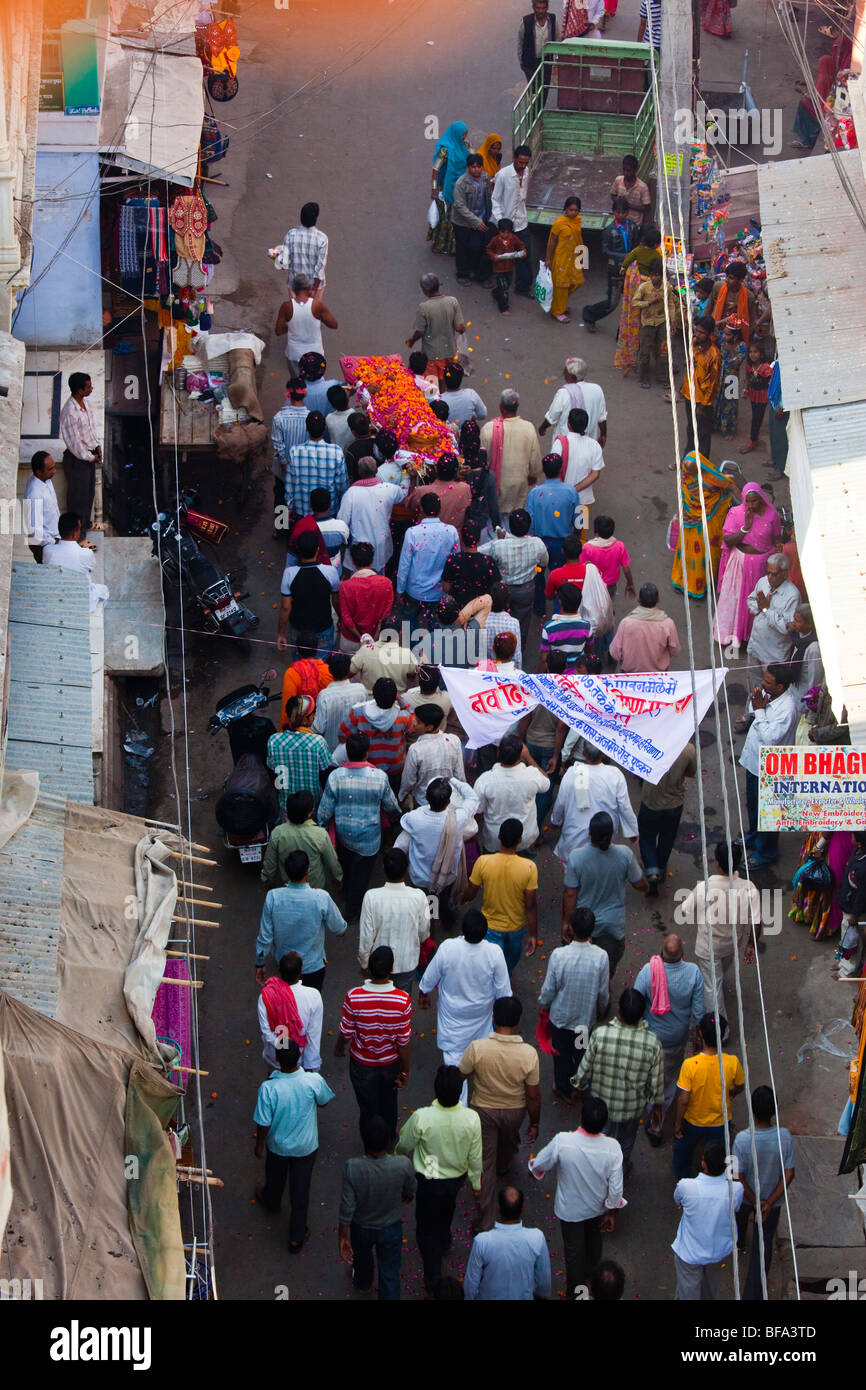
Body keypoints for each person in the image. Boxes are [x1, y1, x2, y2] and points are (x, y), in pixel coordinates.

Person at [395, 1065, 483, 1293]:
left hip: (430, 1174)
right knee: (447, 1208)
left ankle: (432, 1274)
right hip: (456, 1177)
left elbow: (405, 1143)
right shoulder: (471, 1118)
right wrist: (475, 1182)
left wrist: (396, 1155)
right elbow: (475, 1155)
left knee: (426, 1224)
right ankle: (444, 1238)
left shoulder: (423, 1117)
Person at [459, 996, 541, 1231]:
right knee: (507, 1140)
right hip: (515, 1112)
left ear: (493, 1019)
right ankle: (504, 1164)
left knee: (485, 1164)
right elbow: (533, 1095)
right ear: (519, 1022)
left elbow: (460, 1076)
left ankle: (485, 1221)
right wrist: (534, 1122)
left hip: (483, 1111)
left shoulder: (478, 1048)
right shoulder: (528, 1054)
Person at [529, 1094, 624, 1297]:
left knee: (574, 1257)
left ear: (581, 1118)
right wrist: (612, 1212)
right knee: (593, 1249)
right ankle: (594, 1283)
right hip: (597, 1209)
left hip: (570, 1212)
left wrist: (534, 1170)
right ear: (604, 1122)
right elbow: (616, 1190)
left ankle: (578, 1294)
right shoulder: (613, 1148)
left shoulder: (563, 1142)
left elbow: (540, 1164)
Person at [253, 1039, 334, 1252]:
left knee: (275, 1176)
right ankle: (296, 1237)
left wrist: (260, 1145)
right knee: (300, 1190)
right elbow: (325, 1101)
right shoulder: (312, 1081)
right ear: (299, 1056)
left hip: (278, 1146)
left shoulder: (268, 1088)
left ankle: (271, 1200)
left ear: (277, 1060)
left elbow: (263, 1122)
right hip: (305, 1147)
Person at [573, 988, 664, 1171]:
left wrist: (578, 1088)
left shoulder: (600, 1034)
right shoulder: (652, 1043)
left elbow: (584, 1069)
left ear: (619, 1011)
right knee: (626, 1141)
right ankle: (621, 1166)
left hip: (601, 1108)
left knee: (600, 1139)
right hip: (631, 1110)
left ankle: (597, 1168)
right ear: (642, 1014)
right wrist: (656, 1107)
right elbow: (656, 1085)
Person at [317, 732, 402, 919]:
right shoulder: (379, 777)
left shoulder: (335, 777)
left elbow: (324, 811)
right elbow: (391, 806)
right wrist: (397, 818)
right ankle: (353, 911)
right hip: (369, 839)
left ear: (347, 753)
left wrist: (322, 828)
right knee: (361, 875)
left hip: (343, 834)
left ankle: (344, 890)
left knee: (345, 865)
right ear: (367, 753)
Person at [680, 840, 761, 1028]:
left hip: (708, 947)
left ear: (716, 863)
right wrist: (751, 945)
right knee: (720, 971)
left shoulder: (704, 887)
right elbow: (756, 921)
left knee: (712, 990)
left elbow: (685, 911)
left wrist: (688, 900)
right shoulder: (749, 888)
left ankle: (720, 1031)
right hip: (732, 943)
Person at [418, 908, 512, 1070]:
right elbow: (504, 993)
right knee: (481, 1057)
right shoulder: (494, 953)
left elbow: (429, 977)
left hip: (452, 1018)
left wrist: (423, 994)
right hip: (481, 1015)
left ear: (463, 929)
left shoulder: (448, 948)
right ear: (485, 931)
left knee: (454, 1065)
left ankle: (456, 1091)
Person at [634, 935, 705, 1144]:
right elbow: (699, 1012)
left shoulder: (648, 971)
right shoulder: (693, 973)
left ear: (661, 954)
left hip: (650, 1038)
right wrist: (697, 1037)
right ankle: (657, 1119)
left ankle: (655, 1123)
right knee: (668, 1080)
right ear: (683, 954)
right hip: (676, 1039)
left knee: (652, 1076)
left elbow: (636, 1003)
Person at [561, 811, 648, 979]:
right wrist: (647, 887)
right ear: (612, 833)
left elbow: (570, 894)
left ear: (589, 833)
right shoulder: (624, 855)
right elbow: (639, 883)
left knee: (578, 972)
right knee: (604, 973)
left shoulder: (577, 858)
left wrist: (566, 922)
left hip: (584, 926)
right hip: (612, 927)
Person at [338, 1115, 416, 1300]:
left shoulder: (353, 1167)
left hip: (361, 1227)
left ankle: (363, 1284)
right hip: (391, 1227)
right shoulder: (402, 1164)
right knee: (389, 1270)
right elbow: (410, 1189)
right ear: (390, 1140)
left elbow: (347, 1207)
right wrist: (406, 1195)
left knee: (362, 1260)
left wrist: (342, 1236)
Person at [539, 906, 610, 1103]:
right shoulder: (601, 957)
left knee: (561, 1056)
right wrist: (601, 1010)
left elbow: (549, 990)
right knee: (581, 1054)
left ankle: (564, 1088)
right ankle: (579, 1085)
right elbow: (603, 992)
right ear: (592, 930)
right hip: (584, 1021)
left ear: (571, 928)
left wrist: (543, 1005)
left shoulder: (558, 956)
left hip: (560, 1020)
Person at [733, 1084, 796, 1300]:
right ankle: (754, 1294)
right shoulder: (784, 1137)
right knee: (764, 1242)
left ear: (751, 1109)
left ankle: (739, 1241)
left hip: (746, 1198)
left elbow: (737, 1176)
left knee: (740, 1218)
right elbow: (789, 1174)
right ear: (774, 1110)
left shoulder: (742, 1139)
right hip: (773, 1202)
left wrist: (756, 1202)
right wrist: (768, 1203)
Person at [255, 849, 347, 991]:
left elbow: (265, 936)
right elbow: (339, 927)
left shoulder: (273, 897)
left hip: (285, 967)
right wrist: (341, 932)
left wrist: (260, 963)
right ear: (308, 871)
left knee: (288, 1004)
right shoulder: (321, 898)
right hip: (313, 966)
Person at [396, 776, 480, 926]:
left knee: (429, 909)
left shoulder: (414, 818)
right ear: (448, 802)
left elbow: (403, 833)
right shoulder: (458, 818)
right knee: (445, 900)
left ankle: (430, 931)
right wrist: (453, 779)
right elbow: (472, 797)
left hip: (422, 877)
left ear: (426, 797)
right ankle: (447, 922)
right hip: (446, 877)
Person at [713, 482, 782, 659]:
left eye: (754, 501)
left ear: (761, 499)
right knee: (735, 599)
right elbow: (728, 541)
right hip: (740, 563)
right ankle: (731, 637)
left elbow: (776, 540)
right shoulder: (736, 513)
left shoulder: (771, 515)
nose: (750, 505)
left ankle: (749, 636)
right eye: (747, 501)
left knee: (755, 599)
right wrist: (745, 528)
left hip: (761, 566)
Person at [673, 1012, 745, 1179]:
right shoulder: (732, 1062)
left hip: (693, 1121)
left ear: (700, 1033)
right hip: (720, 1122)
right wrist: (732, 1092)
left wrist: (677, 1123)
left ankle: (683, 1176)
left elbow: (683, 1099)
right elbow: (740, 1085)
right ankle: (716, 1177)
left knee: (683, 1149)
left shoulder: (690, 1065)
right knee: (719, 1155)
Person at [739, 665, 799, 865]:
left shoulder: (788, 708)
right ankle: (753, 838)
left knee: (769, 813)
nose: (762, 684)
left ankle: (765, 853)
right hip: (754, 761)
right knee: (754, 807)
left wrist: (760, 710)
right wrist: (755, 703)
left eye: (767, 682)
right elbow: (753, 712)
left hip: (772, 769)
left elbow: (771, 739)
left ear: (780, 686)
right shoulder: (766, 693)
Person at [464, 818, 540, 974]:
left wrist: (459, 899)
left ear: (499, 837)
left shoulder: (483, 861)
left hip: (490, 926)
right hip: (516, 928)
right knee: (507, 967)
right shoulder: (529, 867)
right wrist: (533, 934)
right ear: (519, 841)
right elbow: (530, 905)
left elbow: (471, 893)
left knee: (490, 966)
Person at [672, 1141, 744, 1300]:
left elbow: (678, 1200)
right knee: (710, 1290)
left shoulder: (686, 1186)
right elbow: (735, 1209)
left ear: (703, 1163)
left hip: (690, 1253)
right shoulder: (736, 1189)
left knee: (687, 1293)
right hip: (717, 1252)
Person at [551, 741, 639, 864]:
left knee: (573, 876)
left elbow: (560, 802)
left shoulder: (572, 772)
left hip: (574, 839)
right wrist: (632, 831)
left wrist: (556, 821)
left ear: (583, 753)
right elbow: (625, 806)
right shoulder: (615, 775)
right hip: (604, 839)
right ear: (602, 754)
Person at [358, 848, 431, 993]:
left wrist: (364, 963)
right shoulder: (420, 896)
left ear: (383, 867)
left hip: (377, 965)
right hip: (407, 963)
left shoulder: (371, 897)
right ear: (407, 868)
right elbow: (424, 933)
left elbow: (366, 937)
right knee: (402, 1001)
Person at [670, 451, 739, 601]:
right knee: (694, 552)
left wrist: (745, 507)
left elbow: (731, 486)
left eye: (693, 471)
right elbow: (731, 488)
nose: (689, 474)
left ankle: (691, 584)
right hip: (696, 520)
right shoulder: (691, 470)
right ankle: (689, 583)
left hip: (700, 520)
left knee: (698, 552)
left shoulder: (709, 477)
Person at [464, 1185, 551, 1300]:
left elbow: (471, 1284)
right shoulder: (536, 1238)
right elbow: (544, 1282)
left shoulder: (482, 1242)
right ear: (522, 1208)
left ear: (498, 1208)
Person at [479, 508, 547, 645]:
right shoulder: (538, 544)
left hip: (502, 591)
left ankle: (500, 648)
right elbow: (544, 563)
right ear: (528, 526)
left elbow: (492, 564)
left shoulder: (498, 546)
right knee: (522, 623)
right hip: (526, 590)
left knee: (499, 620)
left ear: (509, 525)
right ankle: (517, 649)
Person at [637, 741, 697, 894]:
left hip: (651, 802)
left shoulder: (650, 742)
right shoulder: (688, 749)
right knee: (667, 838)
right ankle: (661, 869)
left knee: (647, 838)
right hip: (674, 804)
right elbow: (691, 773)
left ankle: (652, 871)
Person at [473, 735, 550, 854]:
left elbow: (477, 811)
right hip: (524, 838)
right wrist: (529, 758)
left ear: (498, 752)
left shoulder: (485, 780)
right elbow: (546, 782)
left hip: (495, 840)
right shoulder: (532, 775)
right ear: (520, 755)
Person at [338, 677, 415, 790]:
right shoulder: (404, 717)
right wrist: (402, 702)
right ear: (395, 697)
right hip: (395, 769)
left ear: (373, 695)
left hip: (368, 768)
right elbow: (414, 723)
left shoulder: (359, 713)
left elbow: (342, 734)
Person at [261, 789, 343, 892]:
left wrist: (267, 881)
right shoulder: (320, 835)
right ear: (309, 814)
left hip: (287, 886)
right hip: (315, 888)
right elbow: (332, 862)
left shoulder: (277, 833)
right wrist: (338, 878)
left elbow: (270, 864)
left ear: (288, 812)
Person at [397, 493, 461, 620]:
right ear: (440, 509)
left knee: (409, 627)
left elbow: (404, 564)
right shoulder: (451, 531)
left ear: (421, 509)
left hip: (415, 590)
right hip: (438, 592)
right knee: (436, 630)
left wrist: (400, 589)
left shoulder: (412, 533)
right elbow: (455, 562)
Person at [257, 950, 324, 1071]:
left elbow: (267, 1033)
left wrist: (284, 1052)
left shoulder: (266, 996)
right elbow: (313, 1035)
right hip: (300, 1061)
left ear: (278, 969)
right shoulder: (313, 996)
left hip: (275, 1060)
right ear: (301, 972)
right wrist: (311, 1067)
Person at [266, 695, 333, 817]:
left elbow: (273, 773)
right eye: (313, 713)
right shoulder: (318, 743)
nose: (315, 716)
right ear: (304, 720)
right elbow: (325, 775)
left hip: (286, 805)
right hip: (312, 807)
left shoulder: (273, 741)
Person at [337, 459, 407, 574]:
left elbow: (342, 523)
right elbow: (404, 494)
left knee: (357, 580)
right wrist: (405, 474)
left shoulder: (351, 493)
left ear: (359, 472)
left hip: (358, 548)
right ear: (376, 470)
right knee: (379, 579)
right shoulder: (389, 489)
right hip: (381, 544)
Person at [277, 530, 340, 655]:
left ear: (299, 552)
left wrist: (281, 633)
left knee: (300, 665)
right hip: (323, 626)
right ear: (317, 550)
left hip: (299, 629)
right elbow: (335, 600)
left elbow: (285, 608)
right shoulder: (331, 572)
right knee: (322, 665)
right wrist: (341, 619)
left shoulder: (289, 573)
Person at [481, 392, 542, 517]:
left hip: (495, 490)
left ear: (501, 407)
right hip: (519, 488)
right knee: (516, 523)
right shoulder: (528, 428)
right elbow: (535, 462)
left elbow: (482, 461)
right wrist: (533, 475)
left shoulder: (489, 429)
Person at [527, 455, 580, 597]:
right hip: (562, 546)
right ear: (561, 469)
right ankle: (560, 608)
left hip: (540, 545)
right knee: (562, 580)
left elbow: (529, 520)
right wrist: (577, 537)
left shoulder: (534, 493)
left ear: (544, 470)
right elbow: (579, 519)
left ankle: (539, 607)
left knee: (538, 575)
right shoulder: (571, 491)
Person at [583, 198, 639, 331]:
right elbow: (605, 250)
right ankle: (589, 314)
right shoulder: (609, 230)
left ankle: (623, 332)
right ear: (614, 212)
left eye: (624, 212)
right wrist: (623, 256)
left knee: (633, 301)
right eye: (618, 212)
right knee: (612, 303)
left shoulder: (633, 227)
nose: (621, 215)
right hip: (616, 270)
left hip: (631, 270)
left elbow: (636, 244)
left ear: (628, 212)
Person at [614, 226, 663, 376]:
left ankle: (632, 358)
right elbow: (661, 269)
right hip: (648, 291)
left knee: (635, 319)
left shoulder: (638, 251)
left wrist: (623, 267)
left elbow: (629, 258)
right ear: (656, 244)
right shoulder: (656, 255)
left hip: (638, 286)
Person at [284, 408, 348, 521]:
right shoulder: (336, 452)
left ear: (307, 428)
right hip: (329, 510)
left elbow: (290, 484)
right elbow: (342, 486)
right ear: (324, 428)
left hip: (302, 511)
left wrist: (288, 508)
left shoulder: (295, 451)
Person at [58, 371, 101, 538]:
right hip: (77, 460)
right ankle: (79, 535)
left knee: (89, 494)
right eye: (88, 387)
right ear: (79, 390)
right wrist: (90, 457)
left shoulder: (85, 404)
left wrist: (97, 447)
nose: (91, 389)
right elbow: (74, 443)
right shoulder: (69, 412)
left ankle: (85, 524)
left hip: (89, 457)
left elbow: (90, 429)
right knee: (78, 498)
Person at [399, 704, 464, 804]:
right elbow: (460, 775)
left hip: (423, 801)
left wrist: (401, 797)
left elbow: (408, 781)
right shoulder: (453, 741)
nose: (414, 723)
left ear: (429, 727)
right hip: (447, 799)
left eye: (418, 722)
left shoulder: (415, 749)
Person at [609, 581, 681, 671]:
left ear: (639, 600)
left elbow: (615, 653)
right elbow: (675, 651)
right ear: (658, 600)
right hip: (658, 676)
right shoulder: (668, 624)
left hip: (629, 676)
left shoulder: (626, 623)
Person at [335, 544, 394, 653]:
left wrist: (361, 638)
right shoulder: (386, 583)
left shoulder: (346, 586)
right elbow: (385, 616)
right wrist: (374, 638)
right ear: (372, 560)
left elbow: (346, 618)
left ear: (352, 561)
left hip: (350, 640)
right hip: (377, 640)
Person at [275, 275, 338, 377]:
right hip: (315, 353)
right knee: (315, 382)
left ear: (294, 289)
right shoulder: (317, 306)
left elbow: (278, 331)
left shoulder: (286, 306)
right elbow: (334, 325)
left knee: (298, 384)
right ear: (309, 288)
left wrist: (292, 327)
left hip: (294, 354)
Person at [406, 273, 466, 381]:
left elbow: (420, 331)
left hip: (431, 355)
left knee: (431, 385)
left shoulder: (424, 307)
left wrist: (412, 340)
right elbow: (460, 328)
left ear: (425, 290)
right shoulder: (452, 301)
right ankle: (443, 395)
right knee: (445, 379)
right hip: (450, 351)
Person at [491, 147, 533, 296]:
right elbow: (495, 200)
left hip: (521, 221)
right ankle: (499, 287)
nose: (522, 166)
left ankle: (522, 287)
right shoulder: (503, 175)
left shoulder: (527, 172)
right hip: (505, 224)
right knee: (502, 255)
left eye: (525, 163)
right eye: (520, 162)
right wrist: (500, 221)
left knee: (524, 254)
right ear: (514, 158)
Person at [550, 408, 605, 523]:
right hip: (583, 500)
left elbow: (553, 469)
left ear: (568, 424)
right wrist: (575, 489)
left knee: (560, 530)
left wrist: (567, 490)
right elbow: (595, 474)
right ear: (585, 426)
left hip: (561, 499)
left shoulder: (559, 443)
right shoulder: (594, 446)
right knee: (579, 536)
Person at [745, 553, 800, 666]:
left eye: (774, 574)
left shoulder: (792, 595)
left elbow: (786, 628)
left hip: (773, 656)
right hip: (755, 648)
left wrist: (767, 609)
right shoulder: (763, 582)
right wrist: (759, 607)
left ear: (785, 574)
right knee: (753, 681)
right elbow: (750, 601)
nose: (769, 577)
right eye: (768, 572)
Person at [539, 357, 608, 446]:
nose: (563, 374)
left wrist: (543, 428)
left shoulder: (564, 393)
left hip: (565, 446)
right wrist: (603, 434)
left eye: (566, 372)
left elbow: (552, 416)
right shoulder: (597, 389)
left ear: (573, 377)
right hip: (588, 445)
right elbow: (602, 418)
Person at [680, 316, 723, 458]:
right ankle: (688, 459)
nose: (697, 334)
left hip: (703, 401)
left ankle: (702, 463)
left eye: (701, 332)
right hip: (689, 394)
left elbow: (713, 383)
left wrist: (703, 406)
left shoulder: (714, 355)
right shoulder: (693, 343)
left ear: (710, 334)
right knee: (691, 429)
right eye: (696, 331)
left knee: (703, 433)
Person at [632, 261, 679, 389]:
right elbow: (634, 302)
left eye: (657, 275)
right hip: (647, 323)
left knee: (663, 350)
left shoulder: (667, 287)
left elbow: (670, 305)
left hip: (662, 321)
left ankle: (662, 376)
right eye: (652, 275)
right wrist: (648, 302)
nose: (655, 278)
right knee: (645, 351)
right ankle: (643, 377)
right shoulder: (644, 287)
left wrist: (673, 320)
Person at [428, 121, 470, 257]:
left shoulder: (466, 146)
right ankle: (440, 245)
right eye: (463, 134)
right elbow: (436, 169)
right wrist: (434, 189)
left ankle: (453, 246)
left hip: (461, 187)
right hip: (446, 187)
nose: (464, 137)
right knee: (445, 217)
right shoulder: (445, 150)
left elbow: (472, 160)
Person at [451, 153, 493, 285]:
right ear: (468, 167)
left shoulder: (486, 178)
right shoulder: (461, 183)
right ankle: (462, 274)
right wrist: (475, 221)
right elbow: (460, 206)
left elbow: (489, 197)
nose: (476, 169)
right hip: (462, 222)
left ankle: (476, 271)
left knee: (477, 246)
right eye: (473, 167)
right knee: (463, 248)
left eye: (478, 167)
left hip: (481, 218)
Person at [271, 378, 311, 513]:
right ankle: (298, 528)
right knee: (302, 498)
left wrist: (284, 463)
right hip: (304, 469)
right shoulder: (310, 417)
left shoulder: (279, 418)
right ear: (305, 394)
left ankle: (281, 530)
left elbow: (278, 444)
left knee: (280, 499)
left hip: (283, 472)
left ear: (288, 395)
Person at [441, 518, 500, 609]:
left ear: (461, 539)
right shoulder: (489, 562)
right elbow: (495, 589)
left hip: (459, 610)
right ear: (479, 539)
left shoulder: (452, 560)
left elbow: (446, 588)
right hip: (481, 612)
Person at [544, 195, 585, 324]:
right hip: (561, 258)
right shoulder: (559, 223)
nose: (573, 213)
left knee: (577, 282)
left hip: (575, 256)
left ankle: (559, 303)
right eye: (571, 210)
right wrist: (548, 259)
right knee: (561, 285)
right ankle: (557, 311)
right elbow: (552, 241)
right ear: (566, 209)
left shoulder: (578, 220)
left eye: (576, 210)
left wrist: (583, 258)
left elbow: (579, 239)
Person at [408, 451, 472, 532]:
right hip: (453, 541)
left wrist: (412, 479)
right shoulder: (465, 489)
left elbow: (409, 507)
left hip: (426, 539)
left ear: (436, 470)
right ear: (456, 471)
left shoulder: (421, 491)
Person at [311, 652, 359, 752]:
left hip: (331, 750)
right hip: (355, 750)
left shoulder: (325, 695)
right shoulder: (361, 690)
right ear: (349, 670)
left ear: (329, 670)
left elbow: (318, 728)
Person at [539, 582, 591, 670]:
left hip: (556, 672)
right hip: (577, 673)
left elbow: (544, 658)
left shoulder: (549, 628)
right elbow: (589, 650)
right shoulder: (587, 626)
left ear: (560, 602)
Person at [350, 627, 418, 693]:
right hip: (397, 701)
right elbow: (413, 676)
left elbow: (349, 673)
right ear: (400, 633)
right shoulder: (406, 653)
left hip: (370, 700)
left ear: (380, 630)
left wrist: (362, 650)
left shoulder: (365, 650)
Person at [281, 202, 328, 293]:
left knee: (295, 307)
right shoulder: (322, 238)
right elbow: (320, 269)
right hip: (314, 287)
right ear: (316, 218)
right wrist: (313, 292)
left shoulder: (291, 234)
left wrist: (275, 255)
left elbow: (284, 264)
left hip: (295, 286)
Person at [485, 217, 528, 315]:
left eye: (507, 232)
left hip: (509, 267)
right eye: (503, 232)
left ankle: (496, 293)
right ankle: (503, 307)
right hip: (499, 268)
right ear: (499, 231)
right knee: (504, 288)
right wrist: (493, 256)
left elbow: (521, 245)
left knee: (507, 283)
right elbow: (488, 249)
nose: (505, 235)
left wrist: (523, 251)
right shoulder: (495, 240)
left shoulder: (513, 238)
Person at [25, 451, 60, 561]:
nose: (54, 471)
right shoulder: (34, 494)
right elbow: (34, 532)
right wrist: (54, 542)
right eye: (50, 469)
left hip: (55, 538)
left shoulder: (46, 479)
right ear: (38, 472)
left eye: (54, 467)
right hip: (44, 546)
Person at [713, 322, 746, 438]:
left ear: (735, 336)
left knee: (730, 404)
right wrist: (727, 319)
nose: (724, 336)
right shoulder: (723, 339)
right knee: (718, 400)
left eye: (727, 334)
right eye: (724, 333)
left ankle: (729, 430)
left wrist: (731, 351)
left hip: (732, 379)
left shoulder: (742, 346)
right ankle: (715, 425)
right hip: (720, 376)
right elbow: (714, 325)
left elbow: (736, 364)